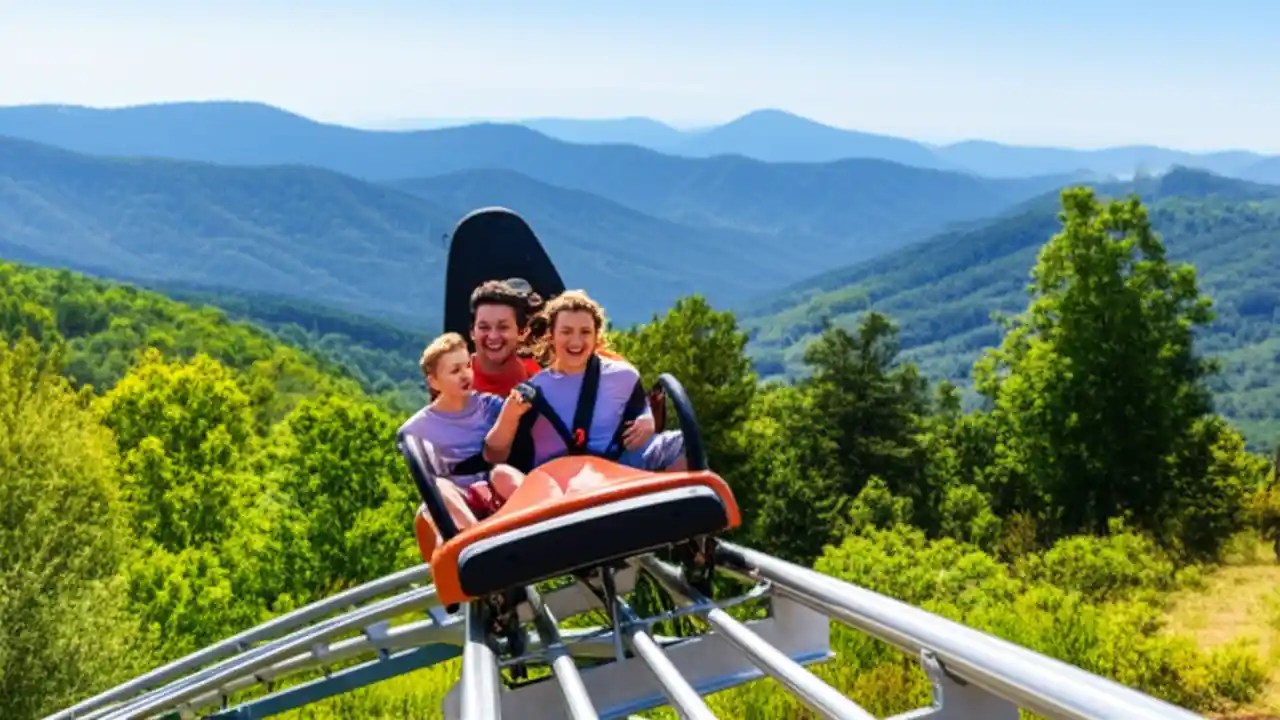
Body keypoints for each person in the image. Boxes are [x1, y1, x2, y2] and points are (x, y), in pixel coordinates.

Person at [485, 289, 685, 473]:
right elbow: (494, 455)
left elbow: (639, 411)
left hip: (615, 471)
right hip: (558, 482)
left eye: (585, 332)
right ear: (551, 335)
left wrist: (647, 420)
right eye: (566, 332)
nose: (576, 341)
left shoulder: (623, 376)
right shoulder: (534, 391)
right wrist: (509, 417)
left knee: (684, 441)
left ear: (596, 335)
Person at [398, 332, 528, 542]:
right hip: (460, 501)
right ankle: (475, 539)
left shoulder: (488, 406)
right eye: (455, 371)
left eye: (467, 366)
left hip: (493, 491)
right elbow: (427, 480)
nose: (465, 374)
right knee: (440, 487)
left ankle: (541, 520)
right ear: (435, 382)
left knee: (503, 473)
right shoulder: (417, 429)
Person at [468, 279, 544, 396]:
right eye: (484, 327)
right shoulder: (454, 382)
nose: (493, 336)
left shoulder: (539, 381)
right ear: (472, 332)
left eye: (503, 327)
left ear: (522, 332)